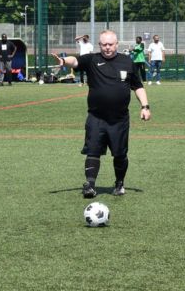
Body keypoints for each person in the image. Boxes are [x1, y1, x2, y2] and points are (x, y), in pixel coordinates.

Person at [55, 30, 151, 198]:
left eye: (110, 44)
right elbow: (75, 61)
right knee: (93, 151)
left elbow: (138, 86)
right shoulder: (92, 59)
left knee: (120, 154)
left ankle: (119, 183)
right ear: (99, 45)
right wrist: (63, 60)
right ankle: (90, 185)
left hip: (119, 119)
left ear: (116, 44)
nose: (107, 48)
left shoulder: (127, 62)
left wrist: (145, 106)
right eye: (104, 44)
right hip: (96, 117)